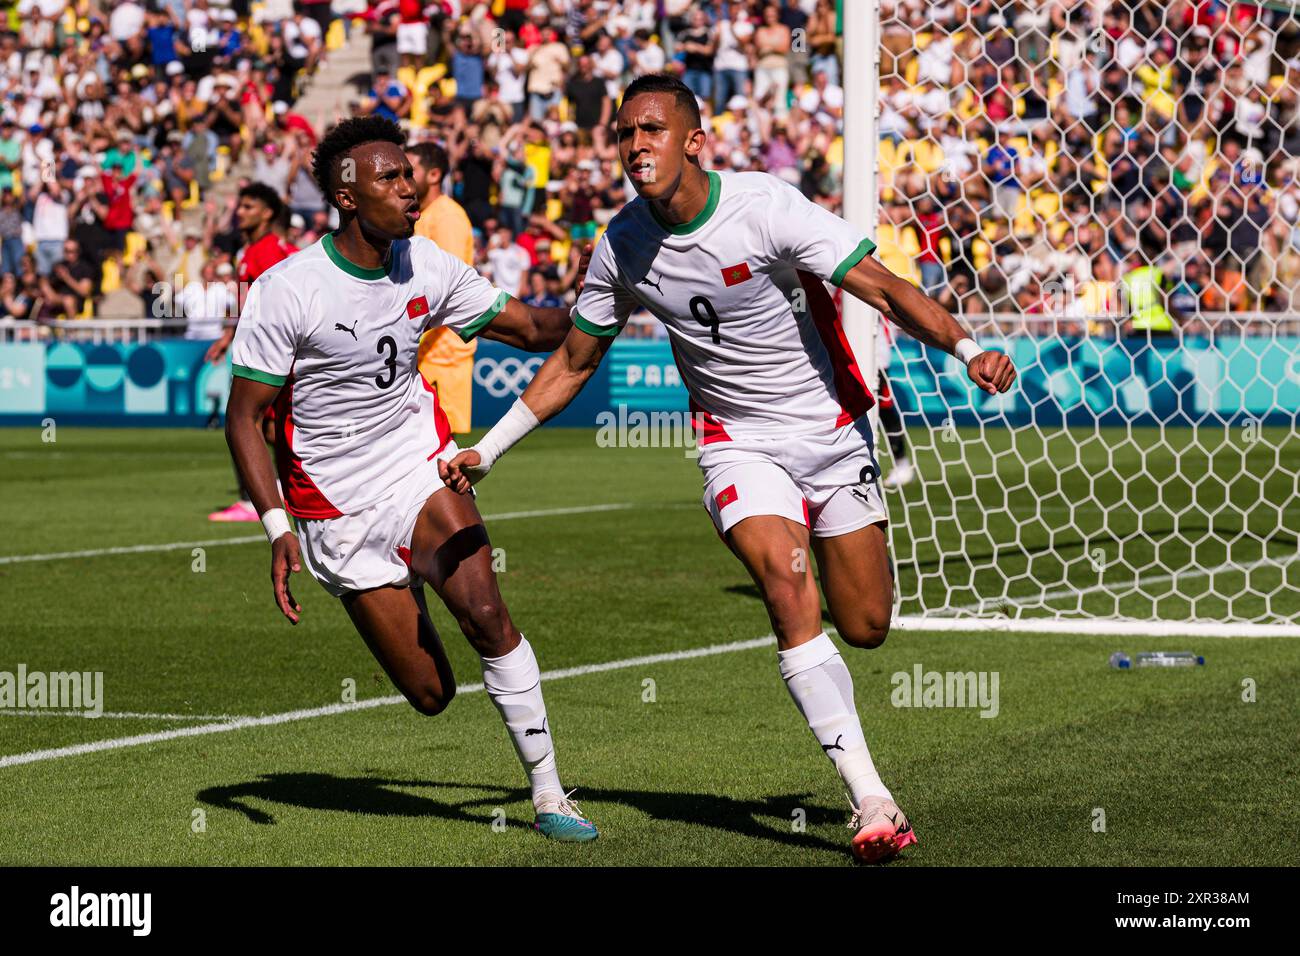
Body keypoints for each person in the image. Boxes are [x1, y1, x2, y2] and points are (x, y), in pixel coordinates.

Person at [441, 74, 1017, 864]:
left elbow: (879, 286)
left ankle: (856, 721)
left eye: (652, 129)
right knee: (784, 583)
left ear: (694, 141)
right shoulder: (622, 244)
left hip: (833, 431)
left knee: (867, 625)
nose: (636, 145)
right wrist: (490, 446)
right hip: (736, 442)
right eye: (625, 133)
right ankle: (872, 799)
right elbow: (576, 358)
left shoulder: (766, 207)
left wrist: (966, 347)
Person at [224, 115, 597, 841]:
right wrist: (275, 529)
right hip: (334, 507)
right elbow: (245, 418)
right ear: (348, 196)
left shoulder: (427, 265)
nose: (411, 187)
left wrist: (607, 297)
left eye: (410, 172)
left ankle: (550, 796)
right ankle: (403, 583)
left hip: (418, 468)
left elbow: (530, 329)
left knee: (487, 613)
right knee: (431, 694)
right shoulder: (289, 288)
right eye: (391, 177)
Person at [205, 183, 300, 522]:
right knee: (272, 429)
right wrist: (228, 334)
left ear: (267, 213)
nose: (240, 212)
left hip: (271, 354)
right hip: (265, 350)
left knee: (244, 421)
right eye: (240, 206)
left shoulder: (268, 252)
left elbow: (280, 300)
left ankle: (252, 499)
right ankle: (283, 491)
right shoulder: (252, 250)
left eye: (248, 207)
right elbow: (247, 297)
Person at [406, 140, 477, 434]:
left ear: (434, 175)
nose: (403, 179)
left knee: (442, 461)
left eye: (410, 171)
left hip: (443, 355)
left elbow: (443, 289)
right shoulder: (421, 215)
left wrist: (403, 318)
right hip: (423, 352)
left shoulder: (447, 217)